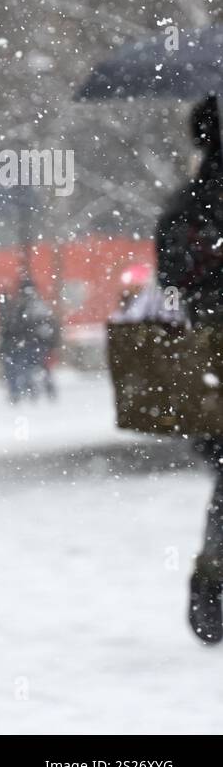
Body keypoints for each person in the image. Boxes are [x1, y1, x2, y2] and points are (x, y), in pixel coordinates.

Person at [155, 95, 223, 644]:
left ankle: (211, 598)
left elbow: (172, 276)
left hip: (211, 360)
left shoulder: (189, 204)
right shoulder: (195, 205)